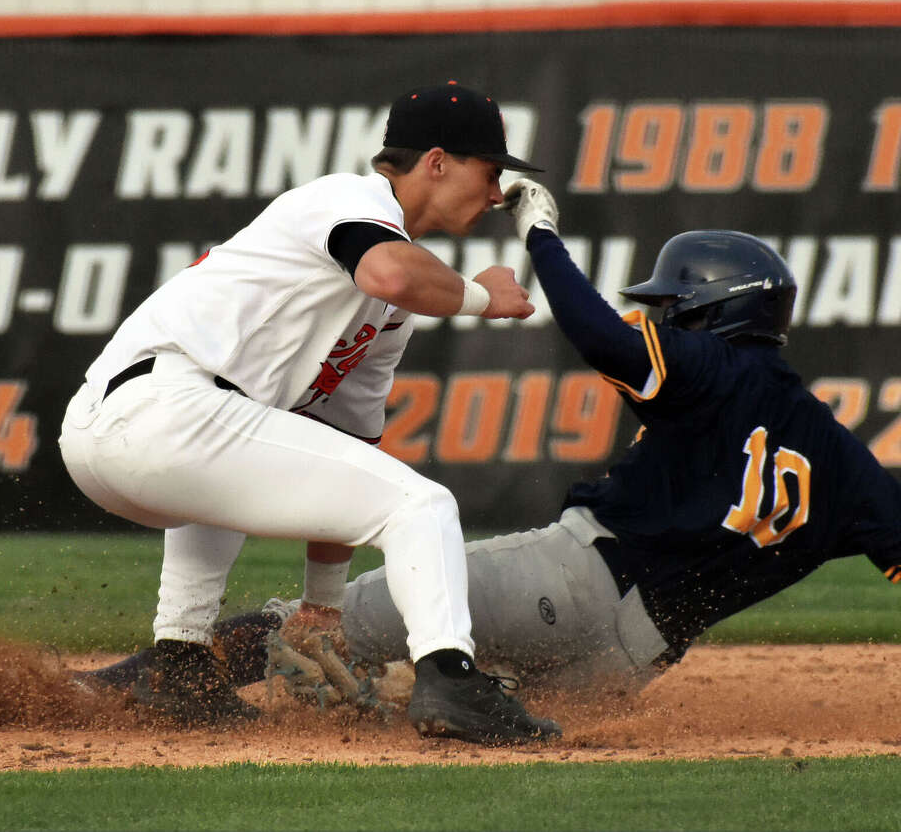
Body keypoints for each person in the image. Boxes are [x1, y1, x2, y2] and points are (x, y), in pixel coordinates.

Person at [81, 181, 901, 723]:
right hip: (627, 664)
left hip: (573, 577)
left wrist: (542, 240)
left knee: (329, 625)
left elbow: (601, 336)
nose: (657, 312)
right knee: (374, 689)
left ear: (709, 313)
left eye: (671, 303)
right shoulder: (842, 459)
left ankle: (120, 693)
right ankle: (348, 703)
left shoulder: (707, 367)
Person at [58, 83, 564, 746]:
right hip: (159, 408)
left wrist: (323, 602)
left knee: (242, 443)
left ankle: (178, 661)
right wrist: (481, 296)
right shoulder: (347, 198)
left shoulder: (387, 307)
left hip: (149, 430)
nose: (497, 192)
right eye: (490, 170)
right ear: (436, 162)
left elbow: (346, 432)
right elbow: (389, 272)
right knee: (423, 506)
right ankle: (452, 677)